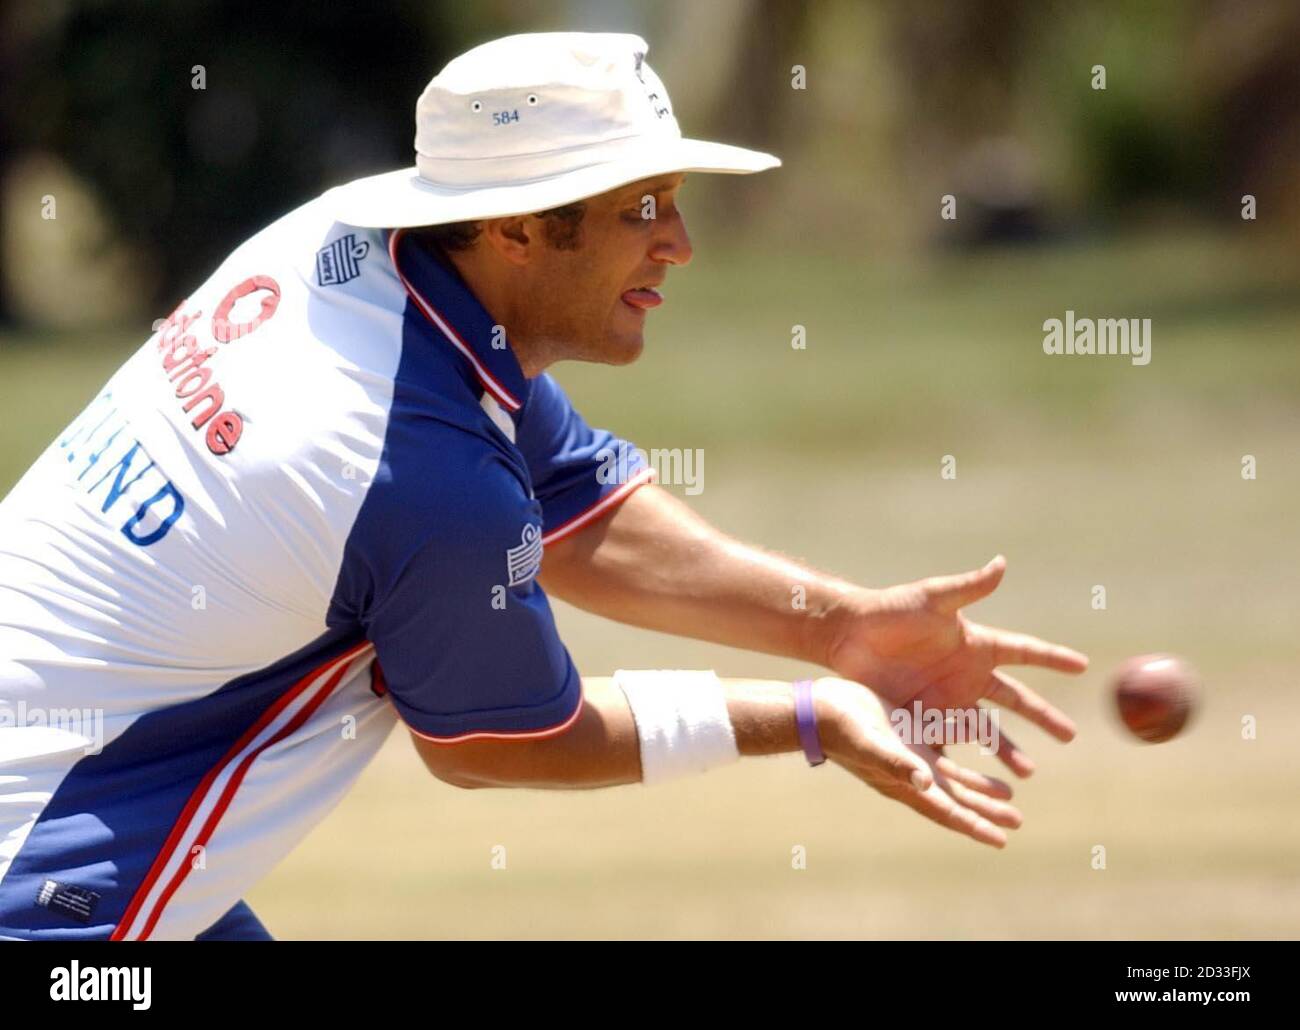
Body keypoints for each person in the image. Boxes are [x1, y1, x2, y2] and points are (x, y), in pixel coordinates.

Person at [0, 32, 1086, 941]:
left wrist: (838, 626)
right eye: (640, 208)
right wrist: (807, 717)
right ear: (518, 227)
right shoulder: (416, 472)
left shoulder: (348, 251)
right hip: (50, 883)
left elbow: (580, 510)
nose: (681, 243)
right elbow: (499, 742)